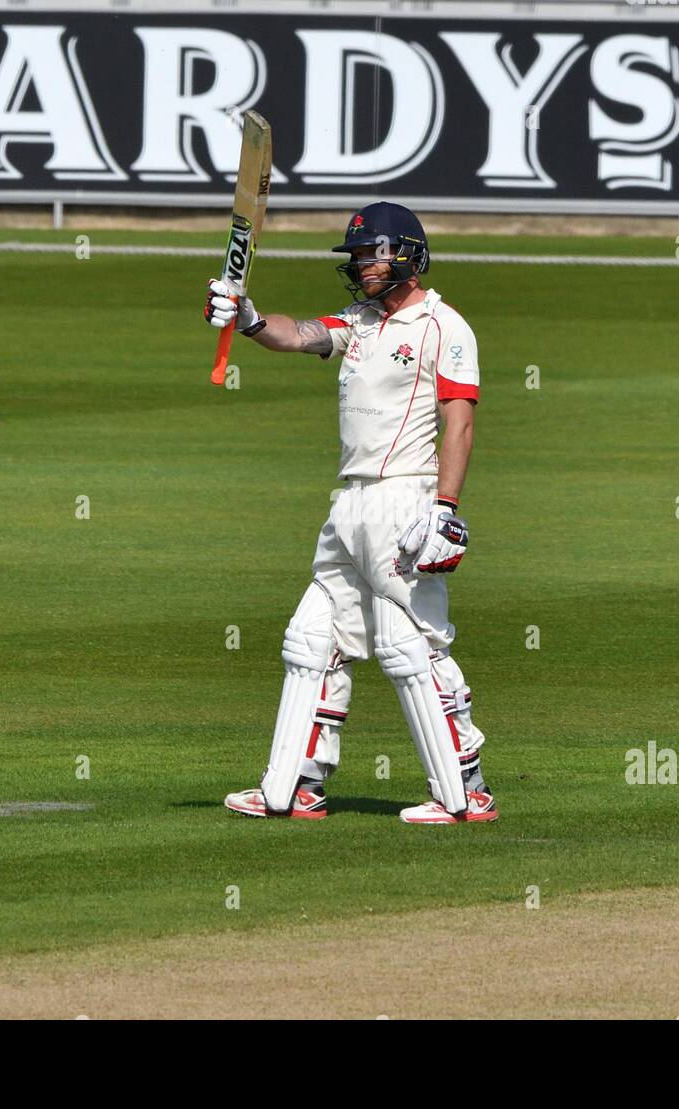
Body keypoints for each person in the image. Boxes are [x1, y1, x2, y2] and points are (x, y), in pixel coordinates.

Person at [205, 202, 496, 825]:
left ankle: (465, 791)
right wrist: (249, 317)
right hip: (350, 502)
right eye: (358, 256)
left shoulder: (446, 327)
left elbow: (460, 423)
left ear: (408, 258)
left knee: (414, 645)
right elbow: (301, 333)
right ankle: (293, 787)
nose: (363, 265)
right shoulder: (361, 323)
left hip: (406, 498)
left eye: (373, 254)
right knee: (312, 639)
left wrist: (444, 508)